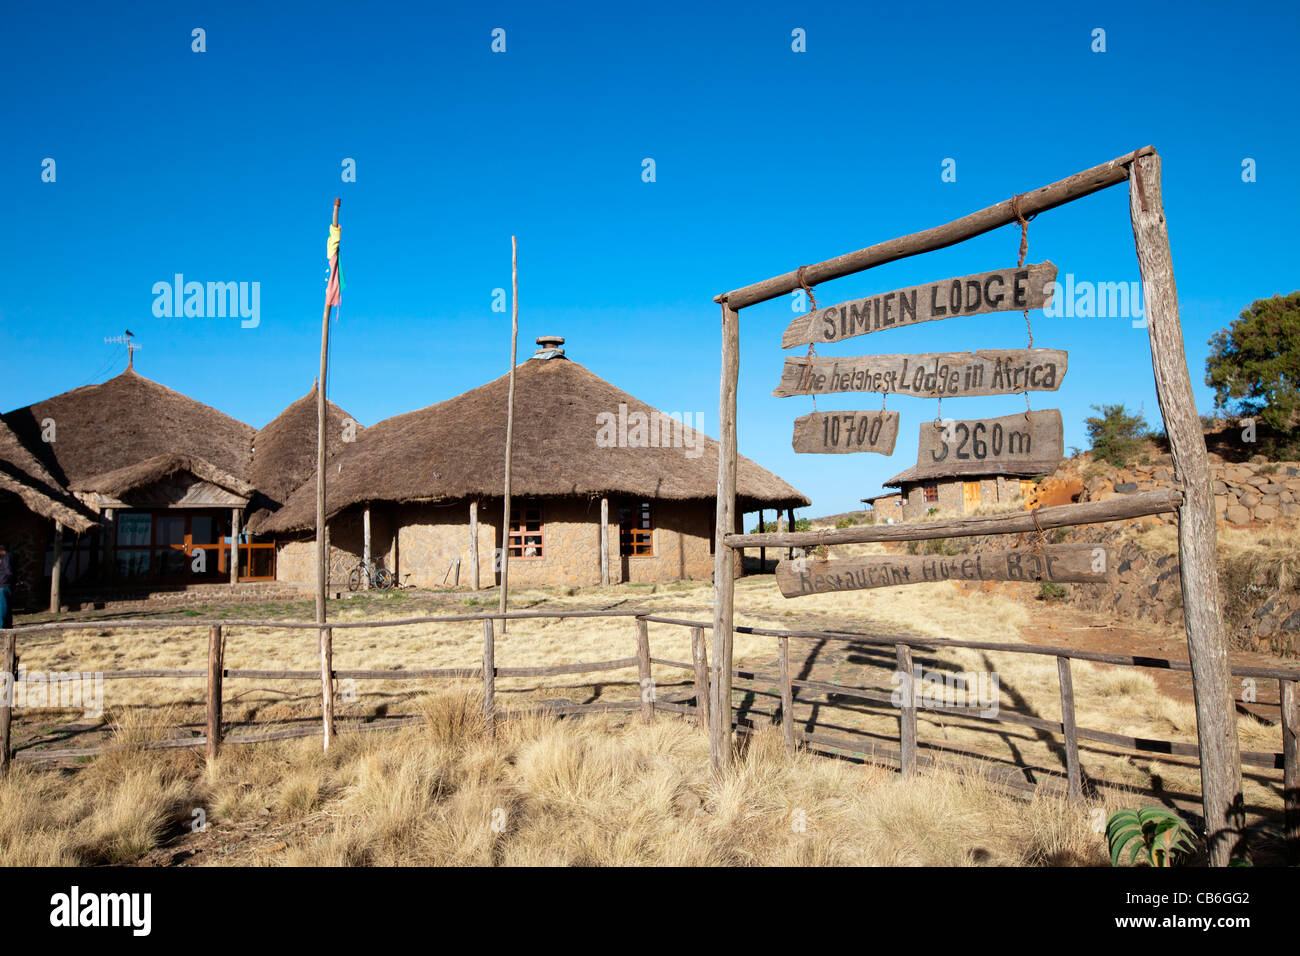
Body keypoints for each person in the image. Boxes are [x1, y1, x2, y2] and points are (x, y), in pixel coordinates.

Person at [0, 542, 12, 630]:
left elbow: (8, 571)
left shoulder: (5, 557)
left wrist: (3, 580)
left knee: (3, 607)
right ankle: (7, 625)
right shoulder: (11, 556)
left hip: (3, 585)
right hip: (6, 584)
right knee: (6, 605)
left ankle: (2, 626)